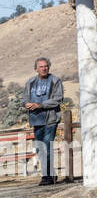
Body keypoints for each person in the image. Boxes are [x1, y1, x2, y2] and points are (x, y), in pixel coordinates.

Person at [24, 57, 64, 185]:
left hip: (50, 119)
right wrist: (26, 104)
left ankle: (46, 177)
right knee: (40, 148)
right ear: (36, 69)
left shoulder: (55, 81)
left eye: (46, 66)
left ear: (49, 67)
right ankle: (51, 174)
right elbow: (24, 98)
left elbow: (58, 99)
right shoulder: (30, 82)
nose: (44, 68)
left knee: (46, 147)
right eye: (41, 66)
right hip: (36, 120)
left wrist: (40, 105)